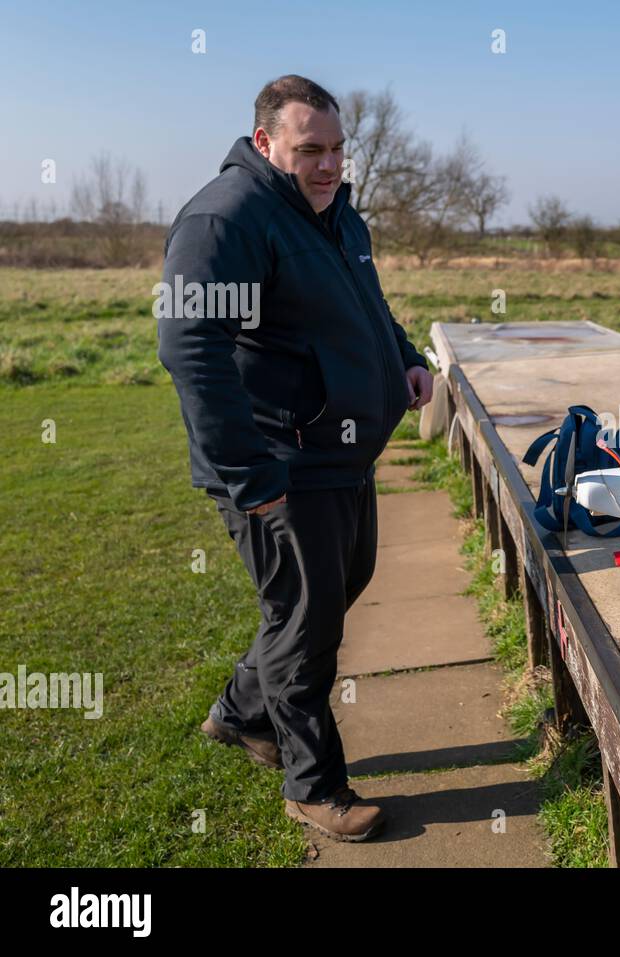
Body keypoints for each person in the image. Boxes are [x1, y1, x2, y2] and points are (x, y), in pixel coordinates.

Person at [157, 74, 434, 842]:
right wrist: (254, 482)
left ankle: (241, 711)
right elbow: (188, 347)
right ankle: (314, 786)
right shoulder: (228, 219)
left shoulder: (339, 218)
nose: (328, 163)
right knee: (305, 619)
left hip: (339, 457)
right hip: (280, 464)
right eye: (310, 148)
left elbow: (367, 306)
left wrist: (405, 356)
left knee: (344, 581)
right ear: (265, 142)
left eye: (338, 147)